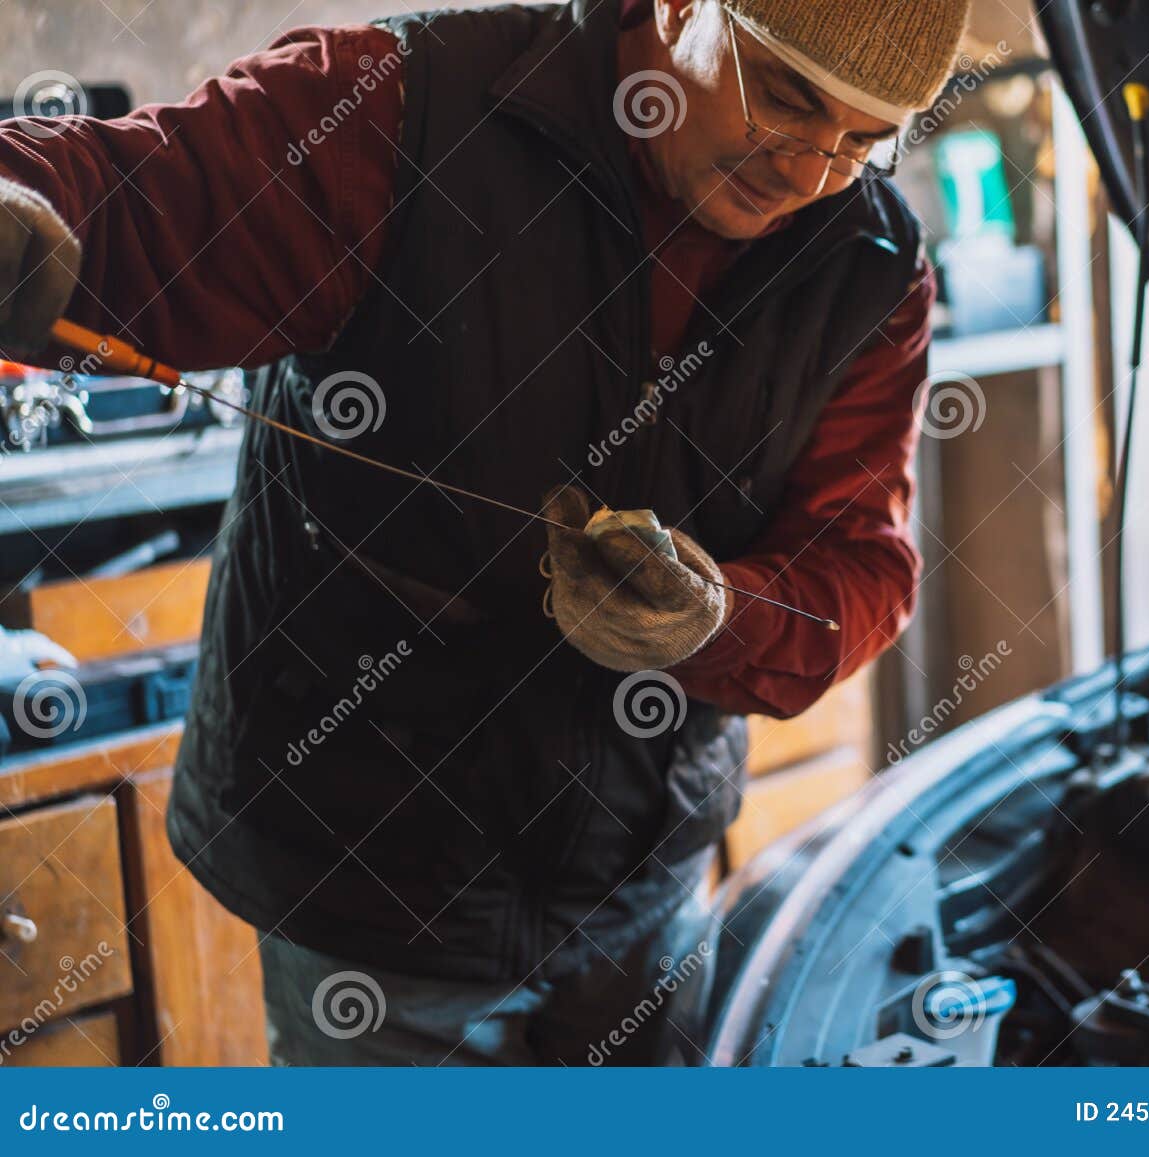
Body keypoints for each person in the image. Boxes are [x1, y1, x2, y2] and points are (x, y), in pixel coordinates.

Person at [0, 0, 970, 1064]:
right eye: (784, 98)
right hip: (373, 893)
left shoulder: (869, 260)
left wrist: (719, 619)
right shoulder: (400, 111)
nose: (807, 171)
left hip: (639, 882)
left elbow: (858, 564)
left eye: (862, 141)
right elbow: (127, 200)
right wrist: (23, 208)